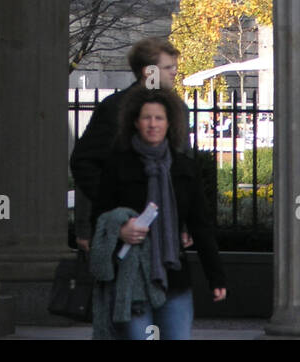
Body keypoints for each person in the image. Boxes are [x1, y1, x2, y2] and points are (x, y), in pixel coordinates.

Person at [90, 88, 226, 340]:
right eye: (146, 118)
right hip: (132, 279)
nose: (153, 124)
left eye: (159, 118)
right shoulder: (118, 164)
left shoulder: (184, 168)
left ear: (169, 123)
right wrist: (121, 231)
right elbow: (98, 217)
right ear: (135, 122)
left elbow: (201, 225)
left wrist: (216, 277)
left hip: (174, 277)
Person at [71, 37, 190, 251]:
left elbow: (185, 169)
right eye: (168, 67)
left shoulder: (178, 109)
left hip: (165, 224)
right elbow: (85, 163)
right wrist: (107, 211)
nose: (174, 72)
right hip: (123, 222)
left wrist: (185, 222)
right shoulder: (115, 108)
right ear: (149, 72)